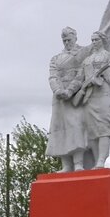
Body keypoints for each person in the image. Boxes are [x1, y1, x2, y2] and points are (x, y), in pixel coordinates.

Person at [76, 31, 110, 169]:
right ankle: (96, 160)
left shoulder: (109, 57)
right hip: (89, 97)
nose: (94, 42)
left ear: (102, 40)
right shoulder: (87, 60)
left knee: (104, 129)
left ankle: (101, 161)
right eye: (92, 40)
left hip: (104, 94)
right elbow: (79, 79)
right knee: (91, 131)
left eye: (96, 39)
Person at [45, 27, 89, 172]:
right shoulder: (56, 58)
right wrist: (58, 90)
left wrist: (70, 90)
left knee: (76, 127)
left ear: (75, 38)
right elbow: (53, 76)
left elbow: (82, 74)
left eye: (69, 39)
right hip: (59, 98)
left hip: (75, 96)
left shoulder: (83, 53)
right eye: (64, 40)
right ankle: (66, 165)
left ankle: (78, 163)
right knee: (60, 129)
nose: (67, 42)